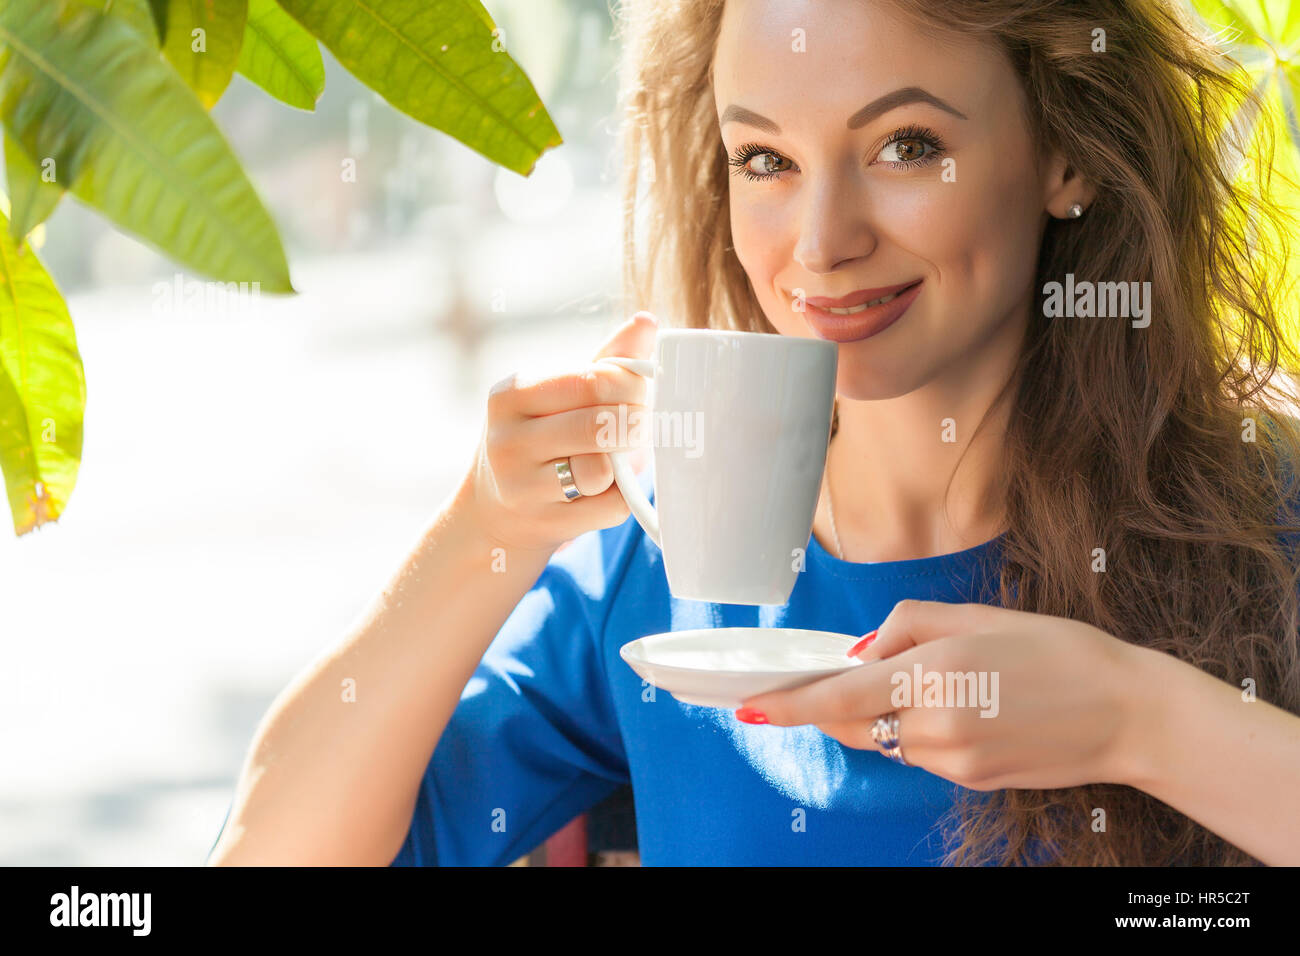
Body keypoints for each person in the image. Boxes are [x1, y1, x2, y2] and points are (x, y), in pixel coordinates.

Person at [207, 0, 1300, 866]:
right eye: (765, 160)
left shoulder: (1266, 518)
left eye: (905, 145)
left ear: (1065, 152)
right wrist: (482, 532)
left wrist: (1139, 718)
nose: (820, 243)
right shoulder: (655, 589)